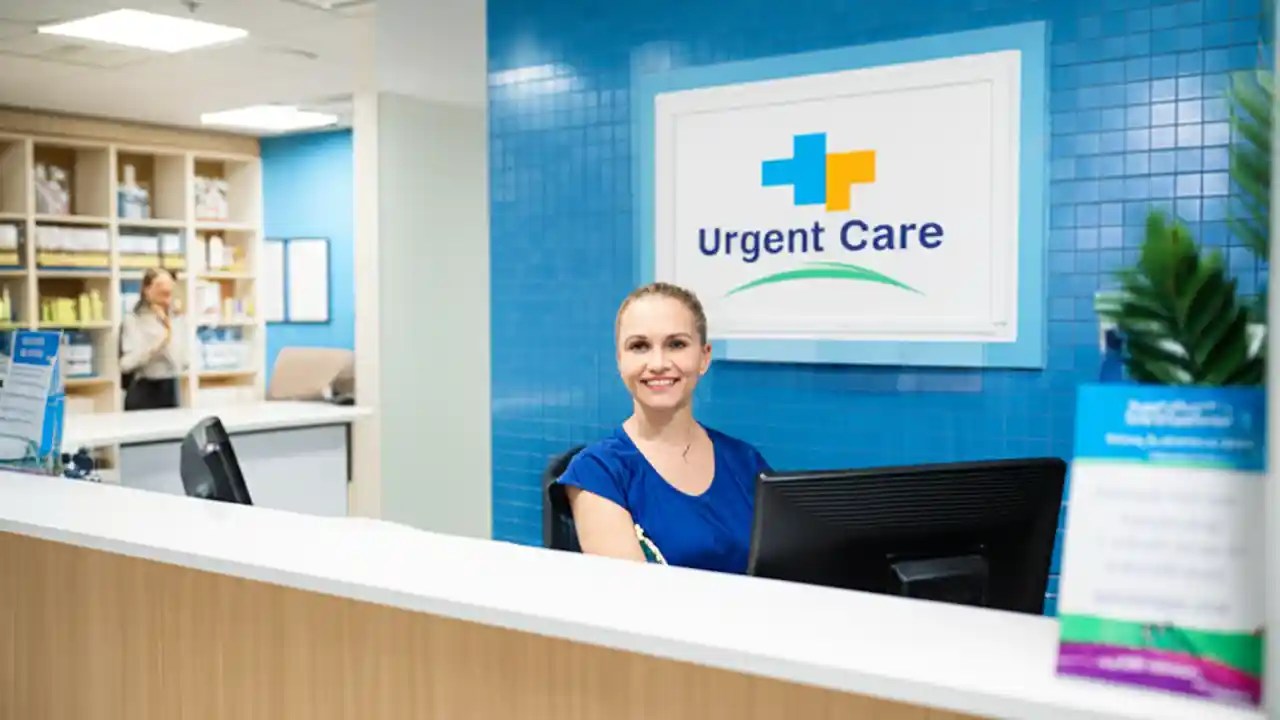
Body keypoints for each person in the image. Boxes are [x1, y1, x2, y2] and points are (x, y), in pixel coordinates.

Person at [556, 281, 771, 574]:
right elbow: (633, 601)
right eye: (639, 346)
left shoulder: (745, 462)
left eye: (676, 344)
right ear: (620, 360)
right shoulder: (597, 473)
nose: (657, 363)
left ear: (704, 357)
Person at [120, 267, 185, 410]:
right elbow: (126, 364)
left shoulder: (177, 320)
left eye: (169, 291)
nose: (166, 295)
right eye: (161, 289)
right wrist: (156, 345)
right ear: (147, 290)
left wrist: (169, 329)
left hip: (169, 389)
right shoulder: (133, 320)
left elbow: (183, 362)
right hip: (143, 389)